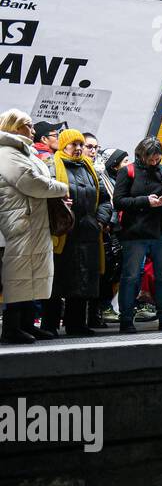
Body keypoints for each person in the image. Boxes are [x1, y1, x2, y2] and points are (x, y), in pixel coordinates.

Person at [0, 109, 71, 344]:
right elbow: (30, 182)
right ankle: (12, 327)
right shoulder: (7, 152)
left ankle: (28, 324)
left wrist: (52, 187)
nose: (32, 130)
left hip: (34, 221)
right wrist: (60, 188)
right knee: (19, 275)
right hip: (21, 222)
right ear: (16, 127)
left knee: (33, 275)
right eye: (28, 125)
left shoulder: (24, 152)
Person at [43, 129, 111, 337]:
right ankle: (50, 325)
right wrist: (59, 204)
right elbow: (44, 194)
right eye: (74, 144)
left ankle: (76, 324)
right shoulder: (52, 165)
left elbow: (105, 200)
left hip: (88, 233)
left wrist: (99, 220)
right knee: (57, 280)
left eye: (81, 144)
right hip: (64, 233)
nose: (79, 148)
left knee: (84, 280)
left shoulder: (91, 169)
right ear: (64, 145)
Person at [114, 137, 162, 333]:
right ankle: (126, 319)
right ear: (141, 155)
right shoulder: (128, 171)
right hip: (136, 232)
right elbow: (118, 201)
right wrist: (145, 201)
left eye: (157, 158)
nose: (153, 162)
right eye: (150, 159)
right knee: (131, 276)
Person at [97, 148, 129, 323]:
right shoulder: (104, 180)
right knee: (108, 270)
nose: (127, 165)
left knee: (116, 270)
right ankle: (102, 307)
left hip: (120, 231)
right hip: (110, 230)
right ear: (115, 165)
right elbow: (111, 204)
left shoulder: (122, 181)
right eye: (124, 161)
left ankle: (109, 306)